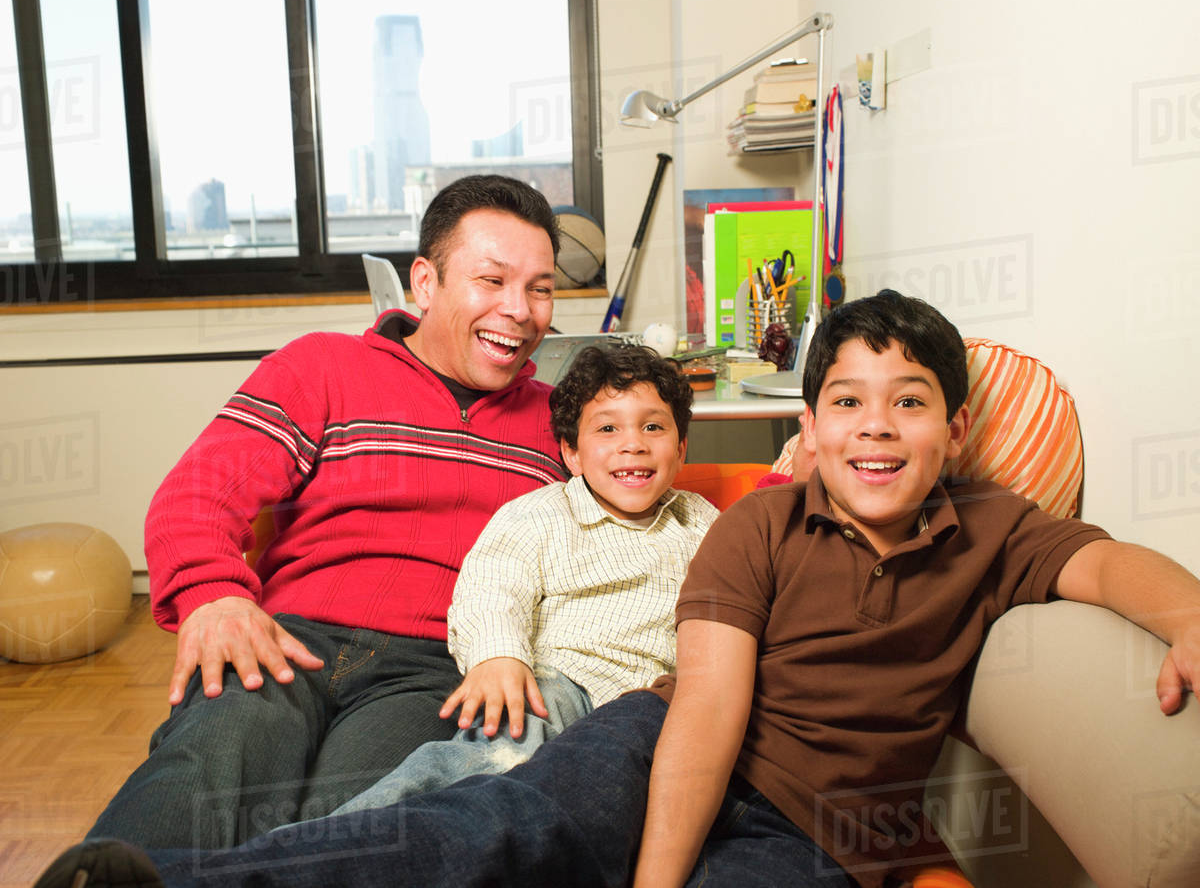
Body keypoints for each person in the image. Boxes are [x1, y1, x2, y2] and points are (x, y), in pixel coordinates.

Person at [37, 290, 1200, 888]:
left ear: (955, 430)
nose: (878, 428)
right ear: (812, 426)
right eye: (849, 402)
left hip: (823, 832)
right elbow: (704, 707)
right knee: (492, 823)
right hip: (655, 739)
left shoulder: (996, 531)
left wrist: (1190, 613)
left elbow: (1108, 567)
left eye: (911, 403)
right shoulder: (758, 525)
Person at [87, 175, 570, 849]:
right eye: (491, 280)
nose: (518, 310)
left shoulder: (561, 421)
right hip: (286, 638)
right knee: (206, 766)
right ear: (425, 283)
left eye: (541, 288)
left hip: (436, 667)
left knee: (349, 820)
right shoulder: (322, 366)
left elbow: (646, 498)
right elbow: (198, 491)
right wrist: (212, 592)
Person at [324, 344, 717, 817]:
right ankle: (349, 837)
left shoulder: (700, 522)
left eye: (652, 426)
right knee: (489, 759)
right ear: (571, 453)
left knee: (604, 803)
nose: (632, 443)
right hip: (559, 687)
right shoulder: (542, 512)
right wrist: (498, 658)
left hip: (656, 705)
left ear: (681, 449)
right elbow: (493, 588)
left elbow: (749, 588)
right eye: (608, 428)